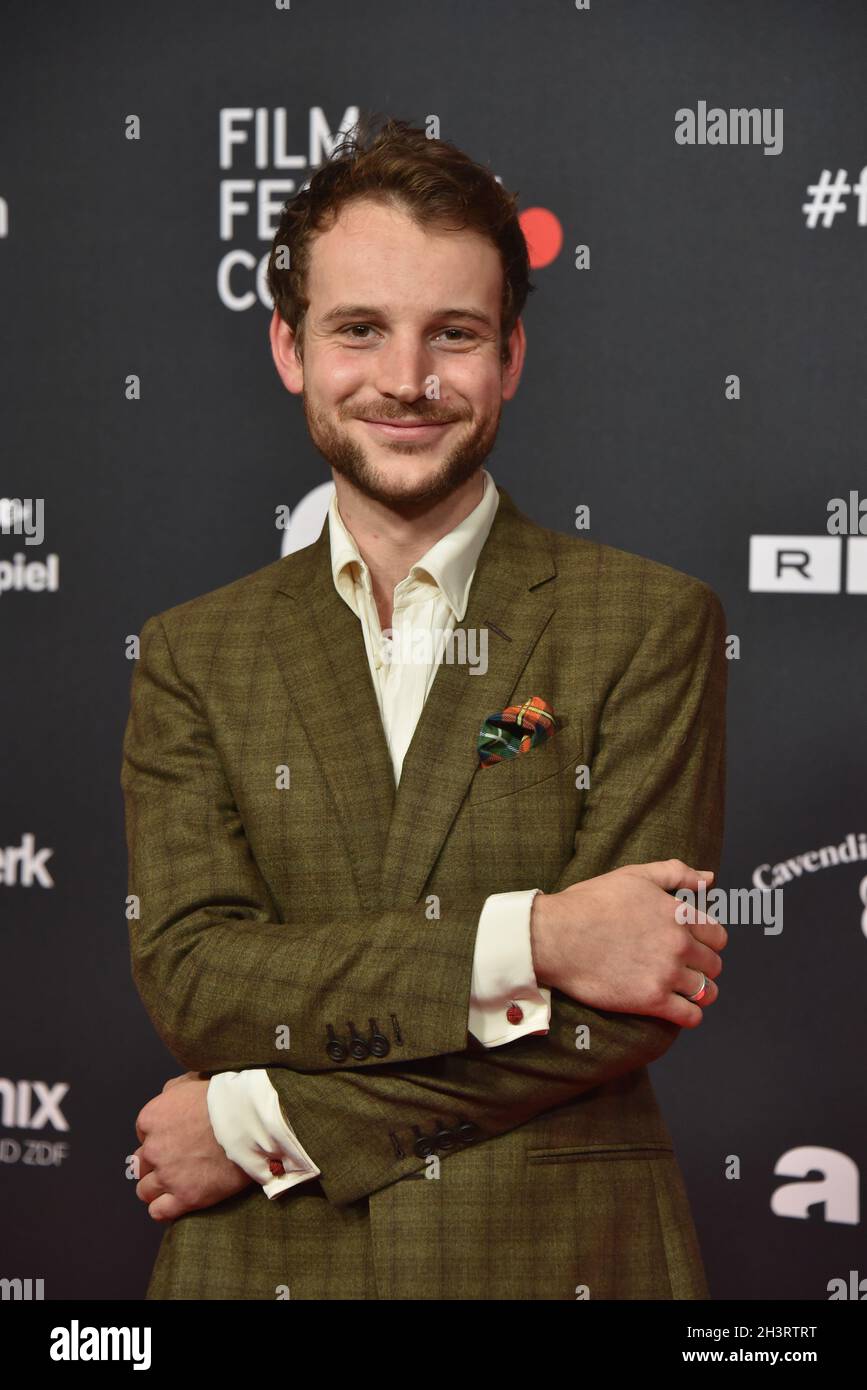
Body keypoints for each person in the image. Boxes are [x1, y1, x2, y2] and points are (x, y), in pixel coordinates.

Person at [121, 117, 728, 1301]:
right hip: (264, 1263)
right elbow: (199, 984)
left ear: (511, 353)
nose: (407, 380)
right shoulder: (195, 652)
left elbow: (624, 1010)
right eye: (360, 330)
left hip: (558, 1254)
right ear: (290, 348)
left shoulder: (649, 623)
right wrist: (536, 941)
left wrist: (251, 1122)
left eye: (452, 333)